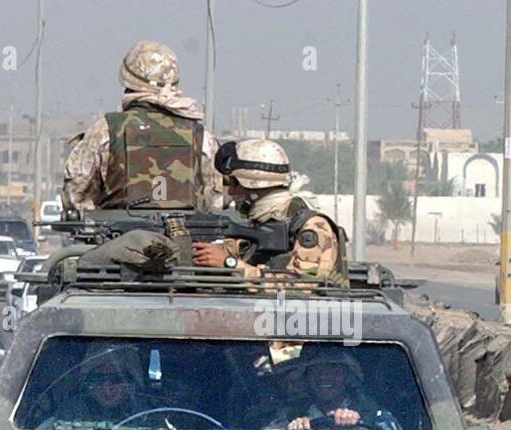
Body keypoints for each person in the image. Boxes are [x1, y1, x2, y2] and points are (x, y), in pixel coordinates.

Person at [62, 41, 224, 214]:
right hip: (186, 237)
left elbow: (76, 194)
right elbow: (215, 200)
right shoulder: (200, 135)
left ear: (128, 81)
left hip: (119, 238)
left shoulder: (105, 131)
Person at [191, 139, 348, 286]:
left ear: (255, 188)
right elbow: (234, 249)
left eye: (234, 184)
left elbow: (303, 285)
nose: (231, 191)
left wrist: (230, 264)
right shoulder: (268, 225)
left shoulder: (312, 227)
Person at [275, 346, 402, 430]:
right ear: (306, 375)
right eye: (316, 369)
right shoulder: (291, 414)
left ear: (347, 375)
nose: (324, 376)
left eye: (334, 368)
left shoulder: (372, 414)